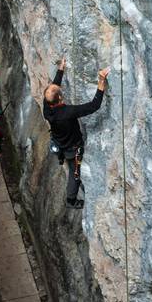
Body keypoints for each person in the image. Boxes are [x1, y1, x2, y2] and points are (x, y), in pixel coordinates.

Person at [42, 58, 108, 207]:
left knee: (62, 150)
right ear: (60, 98)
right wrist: (101, 81)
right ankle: (71, 201)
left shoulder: (47, 108)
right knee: (75, 173)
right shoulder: (68, 112)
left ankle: (61, 157)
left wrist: (61, 69)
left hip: (59, 141)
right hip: (73, 149)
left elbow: (53, 89)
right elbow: (94, 105)